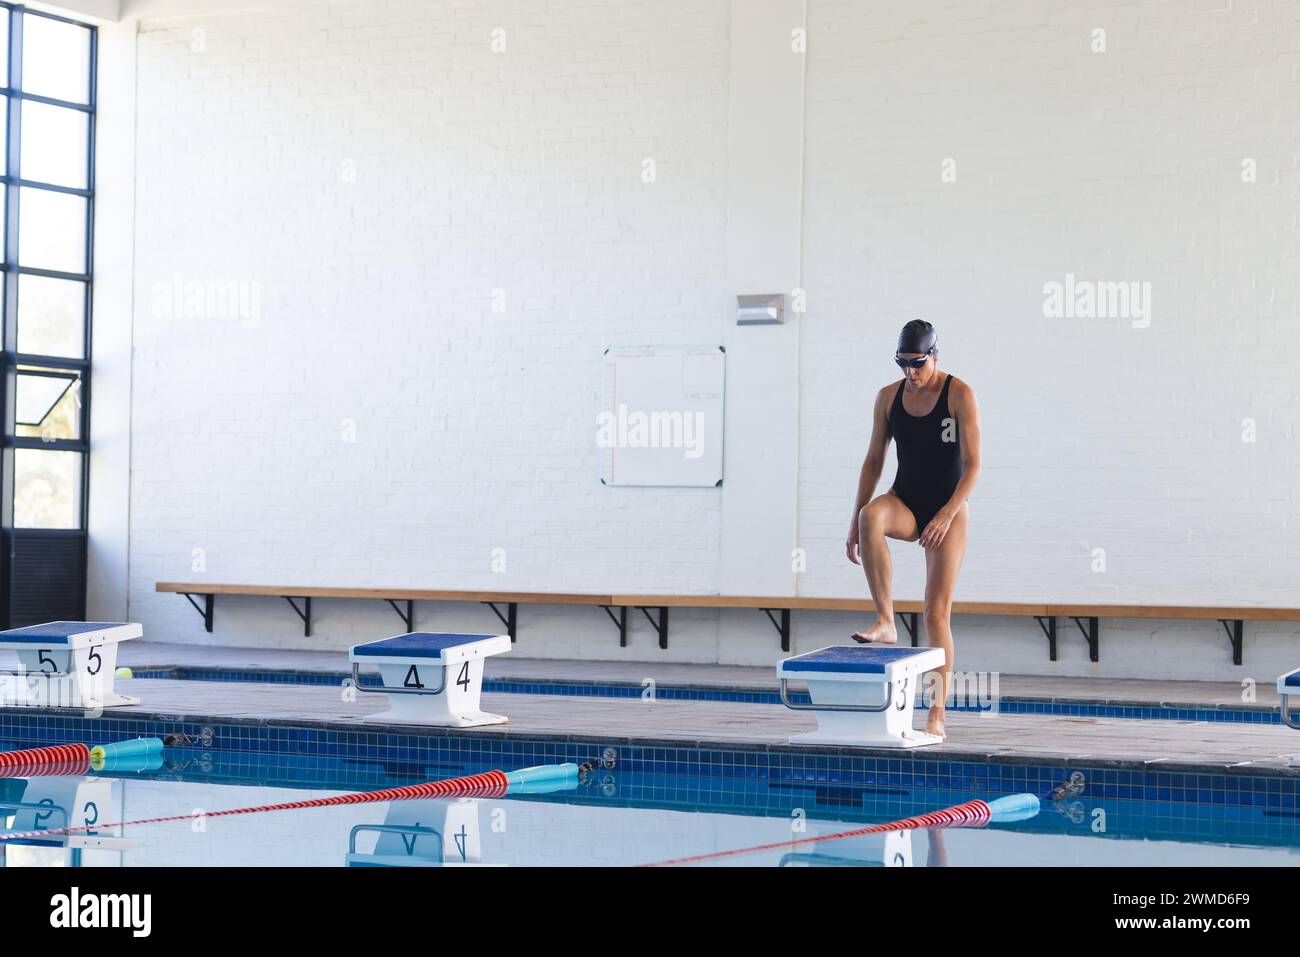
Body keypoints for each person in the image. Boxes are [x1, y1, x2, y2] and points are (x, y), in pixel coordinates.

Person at [845, 320, 982, 740]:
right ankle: (885, 619)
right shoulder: (888, 398)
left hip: (950, 511)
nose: (911, 372)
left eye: (918, 363)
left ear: (934, 355)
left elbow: (974, 465)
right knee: (872, 516)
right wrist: (854, 519)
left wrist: (945, 514)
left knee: (935, 614)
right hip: (905, 501)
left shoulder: (959, 394)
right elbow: (873, 460)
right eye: (903, 364)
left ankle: (937, 713)